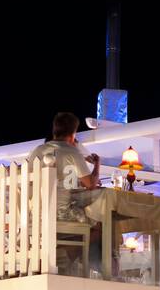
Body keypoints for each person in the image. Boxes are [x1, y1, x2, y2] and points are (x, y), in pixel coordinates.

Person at [27, 113, 103, 270]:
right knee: (100, 227)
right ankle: (67, 257)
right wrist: (97, 164)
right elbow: (91, 184)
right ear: (73, 134)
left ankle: (63, 258)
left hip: (35, 215)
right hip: (60, 214)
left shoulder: (37, 151)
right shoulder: (71, 152)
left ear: (54, 130)